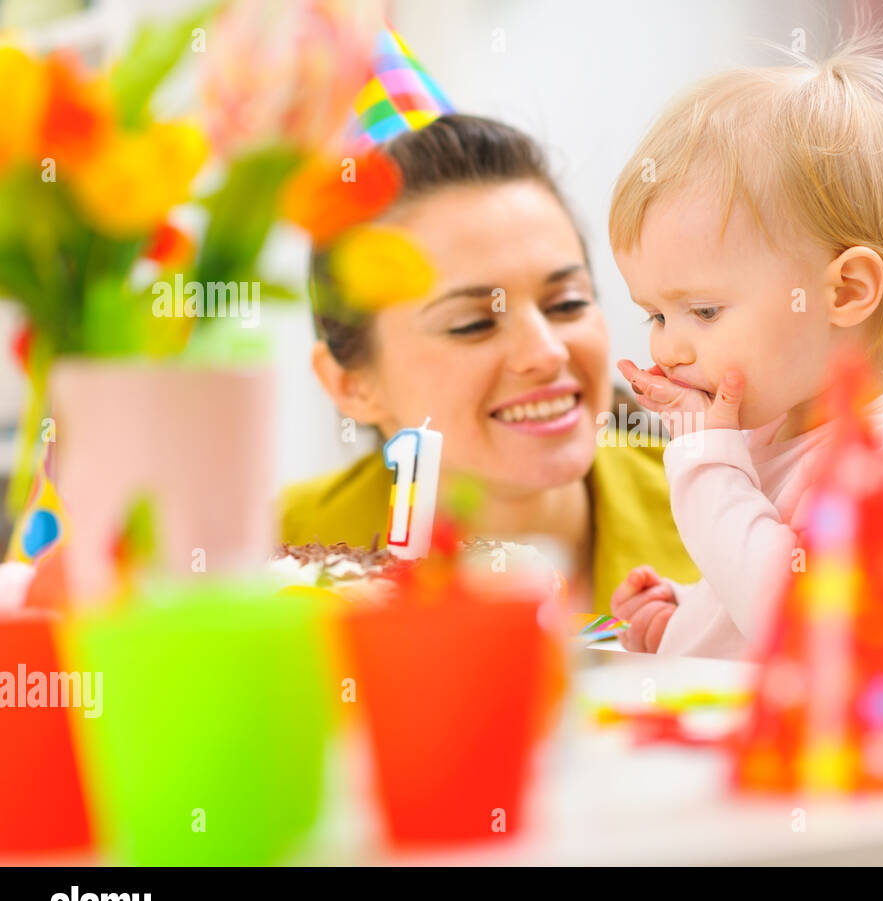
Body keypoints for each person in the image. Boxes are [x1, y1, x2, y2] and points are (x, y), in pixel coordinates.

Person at [606, 34, 883, 669]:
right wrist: (687, 618)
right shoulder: (776, 426)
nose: (667, 348)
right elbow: (758, 600)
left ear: (845, 291)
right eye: (654, 314)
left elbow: (803, 631)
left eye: (703, 311)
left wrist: (706, 465)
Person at [279, 114, 698, 613]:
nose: (545, 352)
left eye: (566, 303)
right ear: (351, 385)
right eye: (472, 324)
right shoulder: (260, 563)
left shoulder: (751, 528)